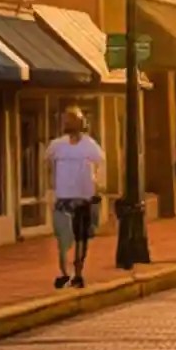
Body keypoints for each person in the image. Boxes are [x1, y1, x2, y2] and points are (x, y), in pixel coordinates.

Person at [47, 107, 104, 289]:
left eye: (73, 121)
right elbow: (46, 164)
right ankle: (65, 272)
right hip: (63, 198)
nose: (70, 124)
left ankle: (78, 272)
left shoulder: (90, 145)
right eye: (67, 121)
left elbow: (100, 164)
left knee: (81, 237)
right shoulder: (57, 145)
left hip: (83, 198)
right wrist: (50, 188)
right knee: (64, 238)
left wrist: (96, 187)